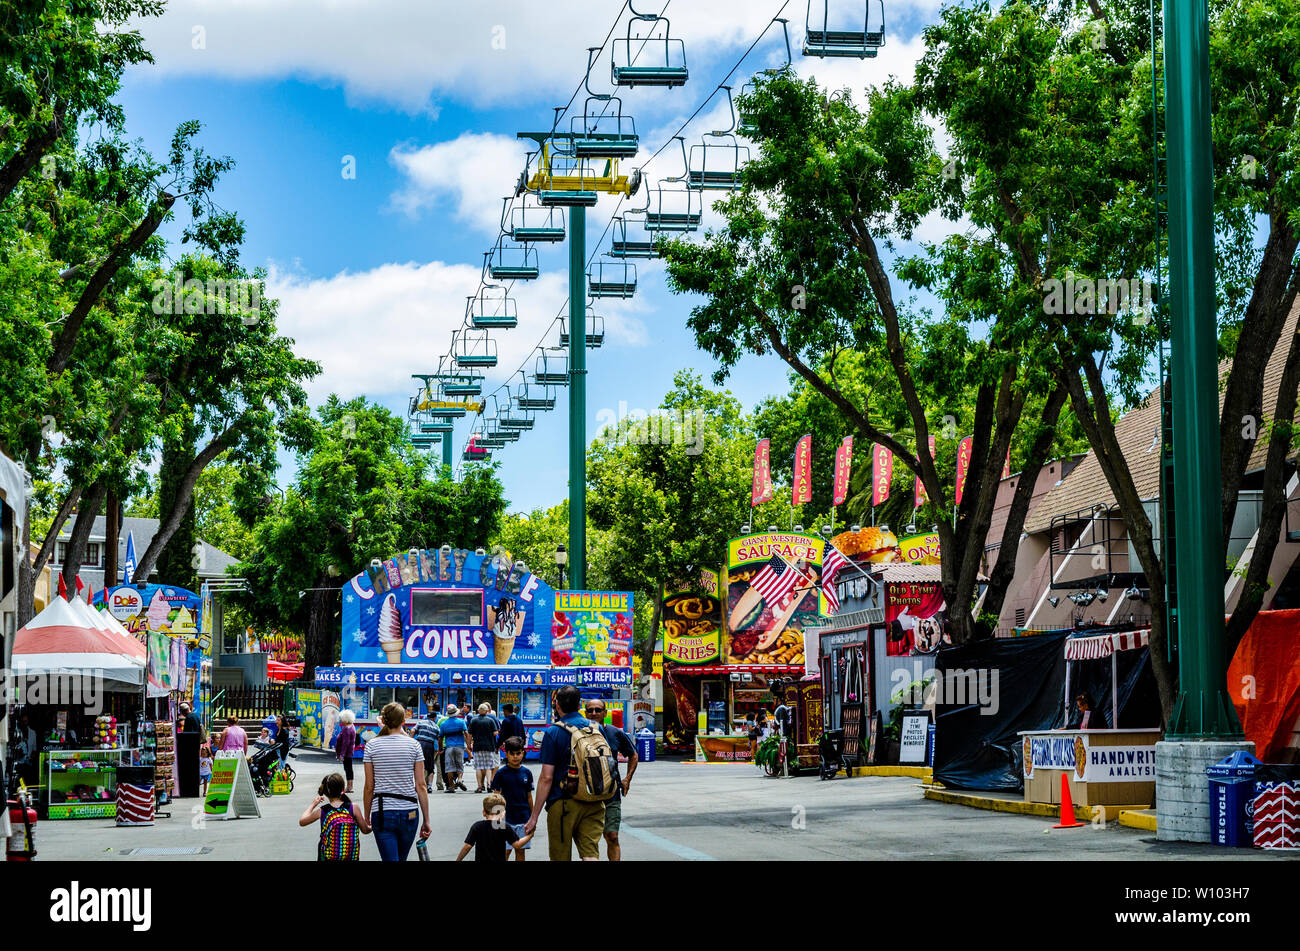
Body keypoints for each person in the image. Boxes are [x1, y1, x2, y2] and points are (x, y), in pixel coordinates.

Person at [524, 685, 605, 862]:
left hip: (563, 803)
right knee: (590, 855)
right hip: (594, 801)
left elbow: (546, 778)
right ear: (580, 705)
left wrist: (534, 816)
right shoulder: (597, 728)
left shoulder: (554, 732)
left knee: (560, 856)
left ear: (557, 705)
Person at [362, 702, 431, 861]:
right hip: (410, 812)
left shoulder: (372, 745)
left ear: (384, 721)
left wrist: (367, 815)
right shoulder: (414, 745)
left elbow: (369, 787)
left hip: (382, 811)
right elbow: (421, 785)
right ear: (403, 721)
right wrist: (427, 820)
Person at [584, 699, 638, 861]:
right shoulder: (580, 733)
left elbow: (633, 755)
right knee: (588, 840)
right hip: (586, 795)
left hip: (612, 793)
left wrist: (627, 779)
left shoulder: (615, 733)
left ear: (605, 713)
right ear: (585, 713)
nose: (594, 713)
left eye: (598, 710)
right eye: (591, 710)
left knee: (612, 836)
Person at [301, 772, 370, 862]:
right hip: (350, 856)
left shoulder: (323, 811)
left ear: (325, 792)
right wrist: (373, 826)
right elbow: (365, 830)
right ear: (342, 789)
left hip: (328, 856)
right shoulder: (353, 807)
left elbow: (302, 821)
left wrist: (313, 804)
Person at [489, 736, 534, 861]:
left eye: (518, 753)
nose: (515, 757)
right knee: (504, 851)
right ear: (506, 753)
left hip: (523, 819)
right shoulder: (500, 773)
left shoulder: (527, 773)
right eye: (512, 754)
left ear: (523, 753)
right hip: (505, 820)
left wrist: (533, 818)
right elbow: (496, 797)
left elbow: (529, 797)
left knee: (520, 852)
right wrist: (495, 821)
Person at [456, 793, 532, 862]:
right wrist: (529, 835)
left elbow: (467, 846)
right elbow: (517, 845)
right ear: (502, 813)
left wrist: (458, 860)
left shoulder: (477, 826)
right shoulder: (505, 827)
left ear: (484, 812)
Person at [468, 703, 501, 793]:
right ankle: (489, 785)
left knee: (478, 767)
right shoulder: (490, 720)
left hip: (477, 746)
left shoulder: (473, 720)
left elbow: (470, 734)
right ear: (487, 711)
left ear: (478, 711)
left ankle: (479, 787)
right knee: (488, 767)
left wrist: (468, 745)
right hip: (489, 746)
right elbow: (495, 733)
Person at [439, 704, 471, 793]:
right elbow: (466, 733)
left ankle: (451, 787)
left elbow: (440, 738)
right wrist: (468, 745)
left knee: (449, 767)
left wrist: (440, 748)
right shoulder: (461, 722)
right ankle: (460, 779)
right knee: (459, 764)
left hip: (449, 747)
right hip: (459, 746)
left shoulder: (444, 724)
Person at [412, 710, 441, 794]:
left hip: (419, 744)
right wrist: (440, 749)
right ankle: (429, 786)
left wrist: (410, 740)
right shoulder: (436, 727)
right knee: (430, 767)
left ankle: (417, 785)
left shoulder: (420, 722)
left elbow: (413, 731)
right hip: (429, 746)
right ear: (434, 718)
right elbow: (439, 738)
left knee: (418, 765)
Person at [336, 709, 357, 793]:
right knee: (349, 769)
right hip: (349, 752)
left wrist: (342, 754)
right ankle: (350, 786)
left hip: (347, 753)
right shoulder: (351, 726)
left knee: (348, 769)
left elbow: (345, 743)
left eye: (341, 719)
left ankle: (349, 787)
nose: (340, 720)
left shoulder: (346, 729)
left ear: (345, 719)